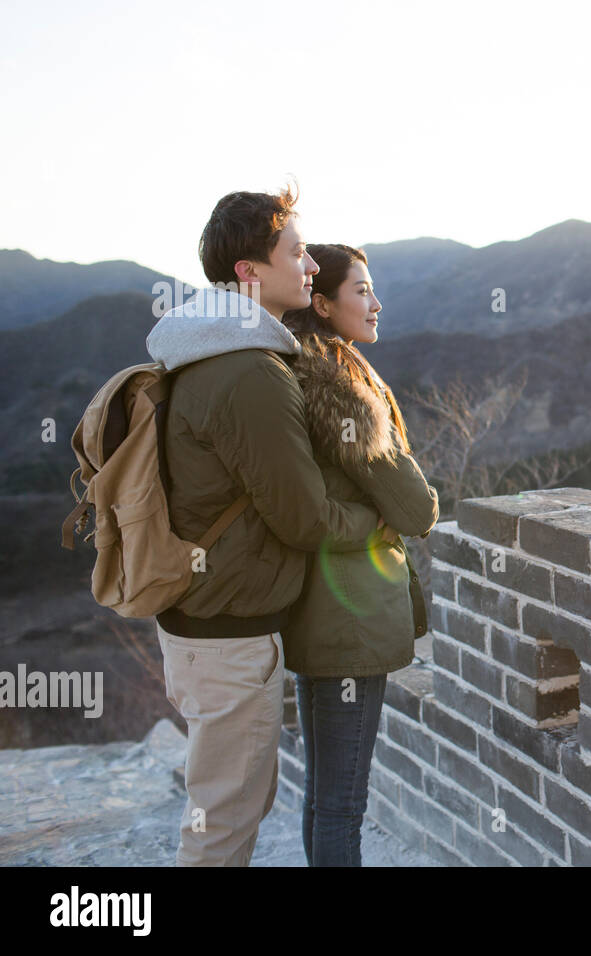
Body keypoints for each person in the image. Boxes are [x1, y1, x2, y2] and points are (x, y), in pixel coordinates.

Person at [145, 187, 392, 866]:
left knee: (229, 809)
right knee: (224, 824)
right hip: (227, 634)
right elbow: (304, 516)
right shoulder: (251, 371)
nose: (311, 264)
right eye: (296, 251)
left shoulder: (217, 351)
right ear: (251, 272)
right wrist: (383, 521)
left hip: (208, 623)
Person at [280, 243, 438, 866]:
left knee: (322, 795)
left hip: (312, 614)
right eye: (361, 291)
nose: (376, 303)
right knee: (343, 803)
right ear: (322, 303)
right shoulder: (344, 390)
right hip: (350, 622)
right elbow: (418, 511)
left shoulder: (297, 370)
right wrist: (384, 516)